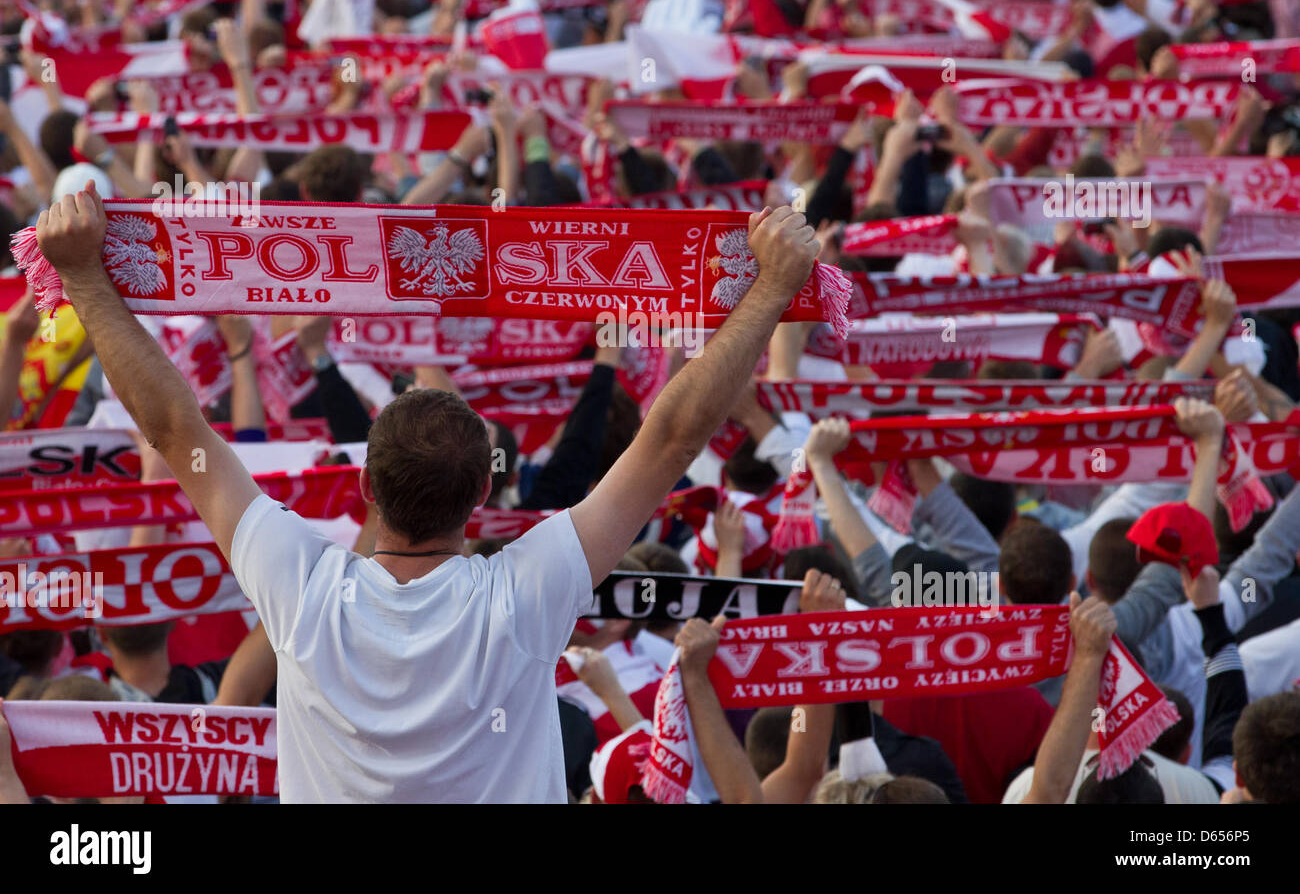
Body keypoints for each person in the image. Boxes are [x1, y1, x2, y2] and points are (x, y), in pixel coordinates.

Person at [33, 181, 820, 803]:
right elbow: (672, 437)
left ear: (365, 486)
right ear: (484, 491)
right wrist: (770, 291)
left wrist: (82, 277)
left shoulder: (301, 586)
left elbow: (175, 431)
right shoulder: (526, 590)